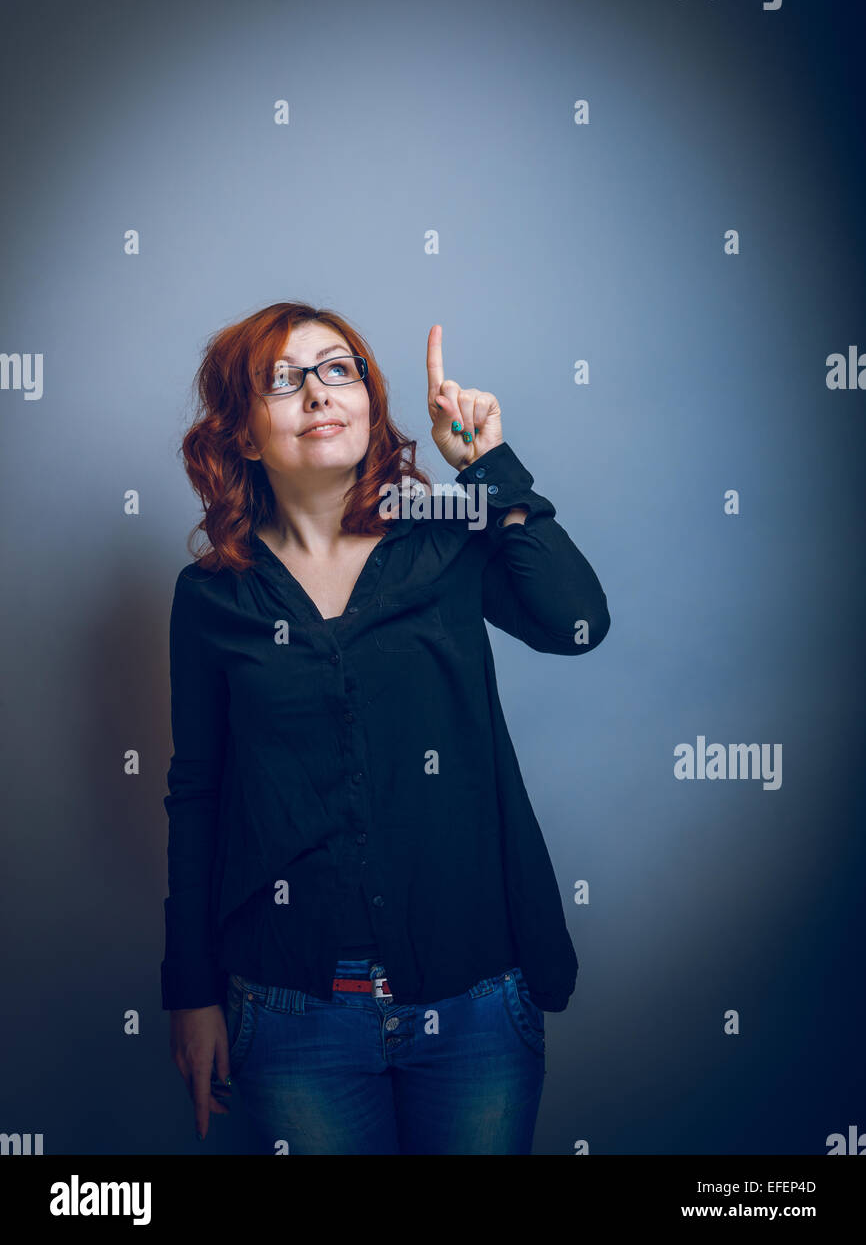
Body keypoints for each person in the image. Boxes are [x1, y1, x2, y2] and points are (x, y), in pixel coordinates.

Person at [161, 301, 611, 1154]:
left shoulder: (443, 537)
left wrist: (491, 474)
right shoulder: (212, 599)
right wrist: (191, 991)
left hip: (473, 999)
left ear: (369, 402)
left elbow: (577, 624)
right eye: (283, 381)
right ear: (246, 435)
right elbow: (199, 795)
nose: (320, 393)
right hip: (291, 1016)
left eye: (340, 369)